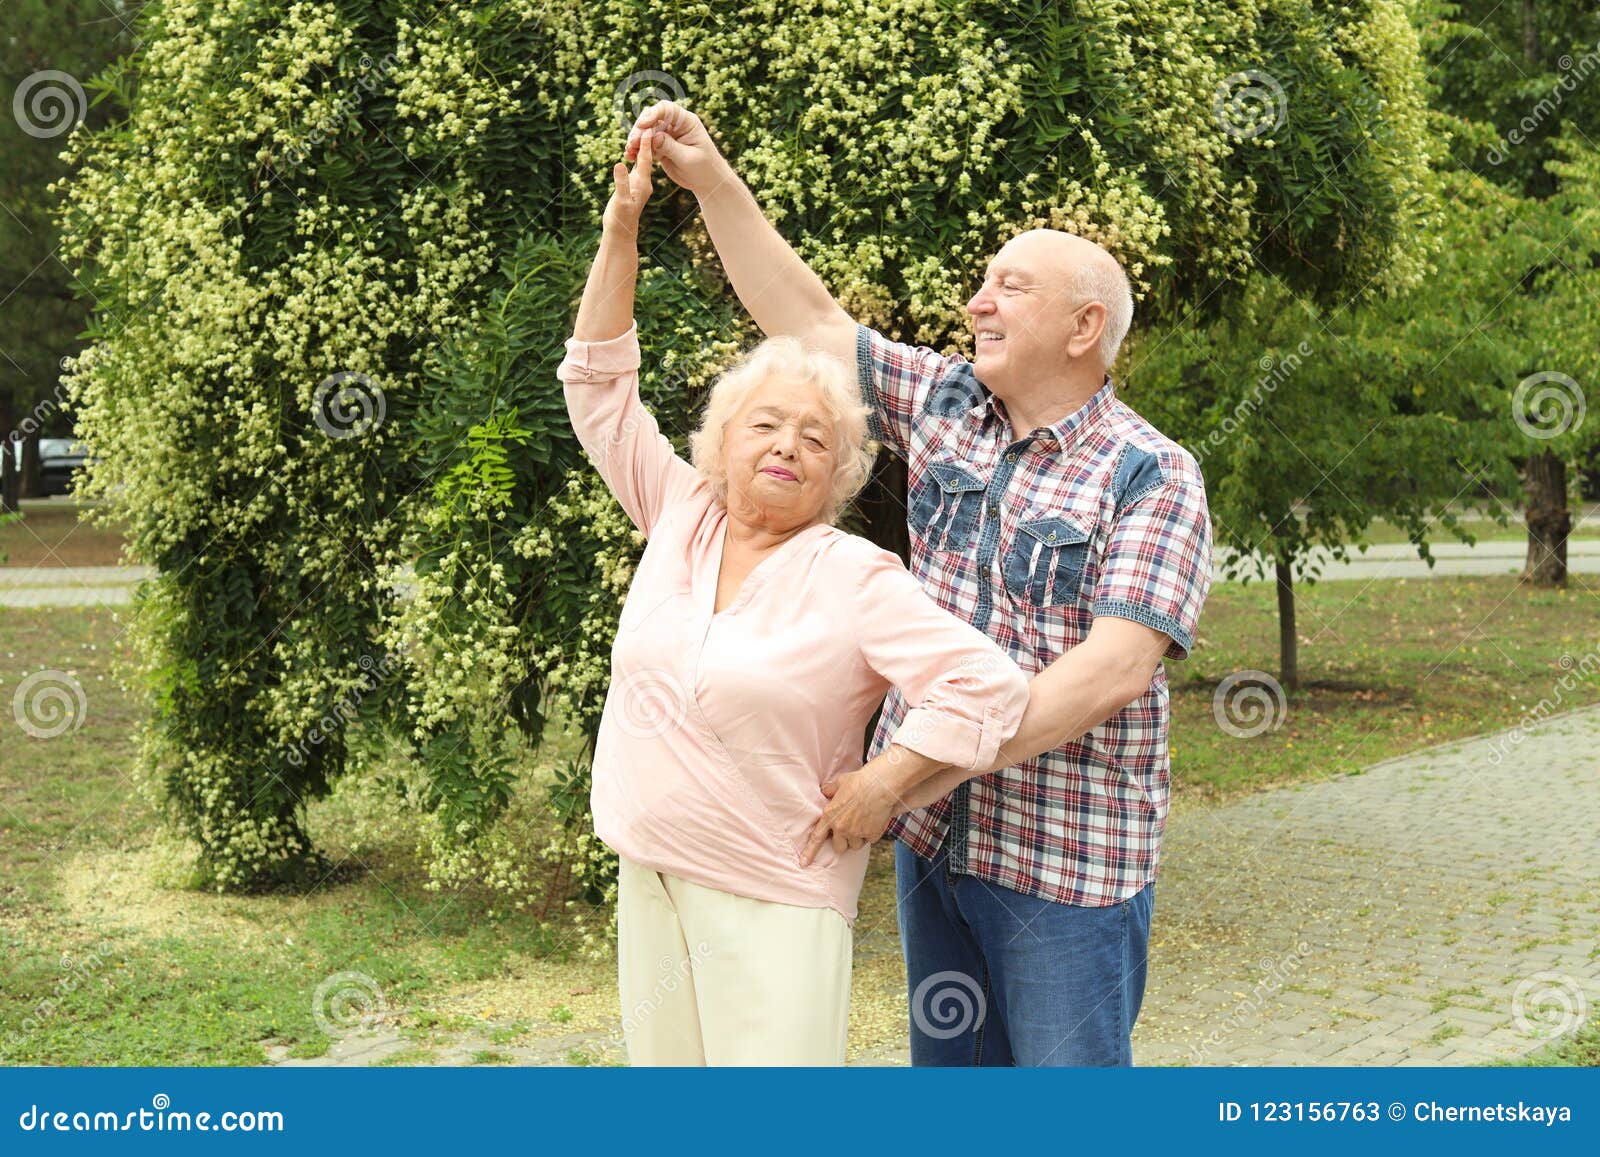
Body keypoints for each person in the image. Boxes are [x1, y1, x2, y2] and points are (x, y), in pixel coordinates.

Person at [627, 102, 1215, 1066]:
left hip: (1066, 866)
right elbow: (808, 319)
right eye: (982, 284)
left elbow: (1109, 672)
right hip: (938, 848)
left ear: (1084, 325)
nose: (976, 302)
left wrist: (903, 771)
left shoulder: (1151, 475)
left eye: (1007, 287)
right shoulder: (950, 407)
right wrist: (709, 179)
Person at [559, 134, 1030, 1066]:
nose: (786, 445)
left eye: (815, 437)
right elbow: (599, 385)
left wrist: (887, 782)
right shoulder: (679, 512)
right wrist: (622, 229)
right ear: (721, 445)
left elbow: (986, 687)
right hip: (650, 873)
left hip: (775, 898)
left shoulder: (853, 576)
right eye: (764, 425)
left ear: (839, 475)